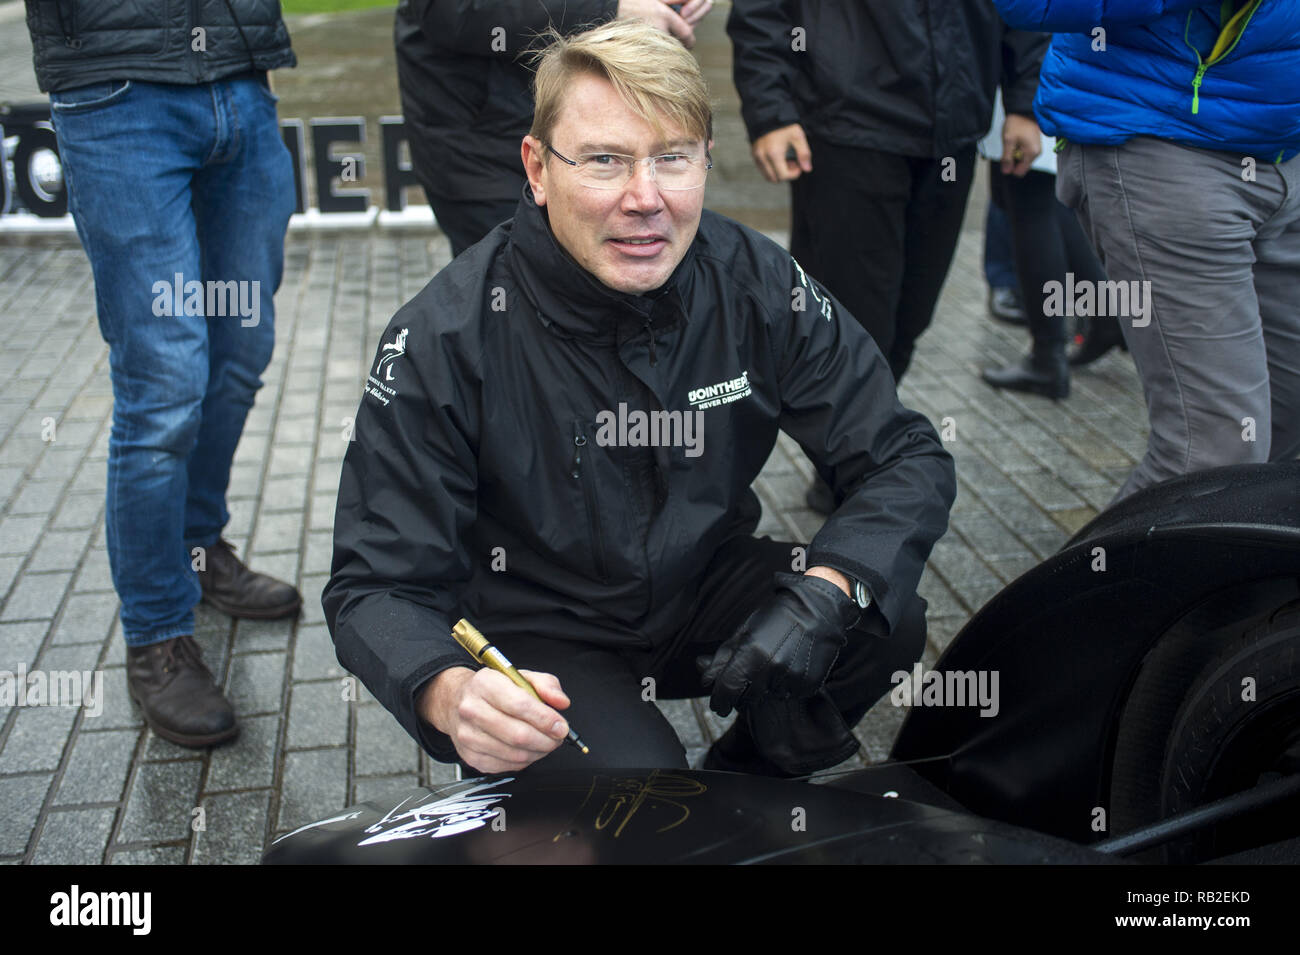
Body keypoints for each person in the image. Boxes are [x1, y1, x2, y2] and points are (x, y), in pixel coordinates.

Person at [324, 19, 955, 778]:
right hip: (543, 628)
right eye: (604, 161)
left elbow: (905, 452)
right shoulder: (446, 332)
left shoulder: (755, 282)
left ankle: (741, 787)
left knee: (883, 617)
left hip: (700, 590)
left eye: (672, 159)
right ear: (536, 167)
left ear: (706, 162)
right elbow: (373, 583)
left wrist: (830, 586)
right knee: (636, 794)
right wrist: (449, 691)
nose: (645, 198)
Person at [25, 1, 304, 746]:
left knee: (239, 354)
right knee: (164, 386)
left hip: (241, 78)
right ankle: (157, 635)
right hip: (115, 90)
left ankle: (198, 545)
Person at [726, 0, 1048, 512]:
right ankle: (846, 473)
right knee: (853, 324)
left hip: (952, 134)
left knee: (909, 315)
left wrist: (1024, 103)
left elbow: (1022, 9)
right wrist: (770, 112)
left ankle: (859, 450)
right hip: (847, 129)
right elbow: (763, 12)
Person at [995, 0, 1300, 501]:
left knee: (1281, 427)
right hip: (1164, 140)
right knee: (1211, 454)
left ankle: (1223, 577)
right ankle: (1095, 580)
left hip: (1281, 146)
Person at [395, 0, 713, 257]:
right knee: (514, 285)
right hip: (483, 136)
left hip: (587, 114)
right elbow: (450, 11)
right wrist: (613, 10)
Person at [977, 86, 1108, 399]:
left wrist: (1022, 107)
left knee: (1030, 202)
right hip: (1035, 86)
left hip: (1027, 93)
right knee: (1040, 201)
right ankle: (1107, 317)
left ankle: (1047, 357)